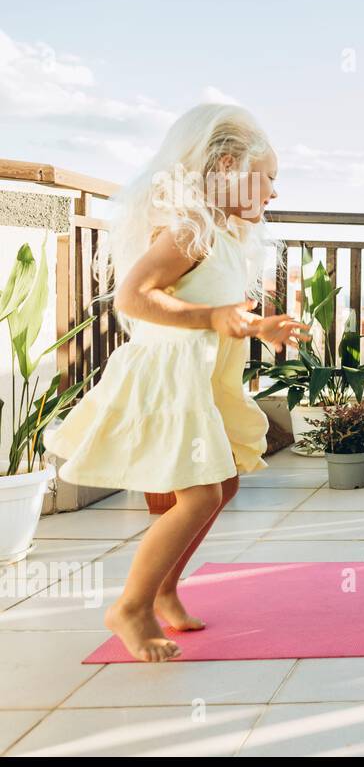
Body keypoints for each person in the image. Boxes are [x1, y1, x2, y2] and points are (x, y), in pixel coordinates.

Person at [45, 104, 307, 661]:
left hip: (202, 375)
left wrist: (260, 326)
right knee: (201, 492)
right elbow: (135, 297)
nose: (274, 194)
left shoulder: (225, 235)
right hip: (170, 377)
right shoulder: (190, 229)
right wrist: (211, 319)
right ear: (230, 165)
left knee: (224, 483)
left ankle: (163, 589)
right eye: (269, 178)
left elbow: (216, 310)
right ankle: (131, 606)